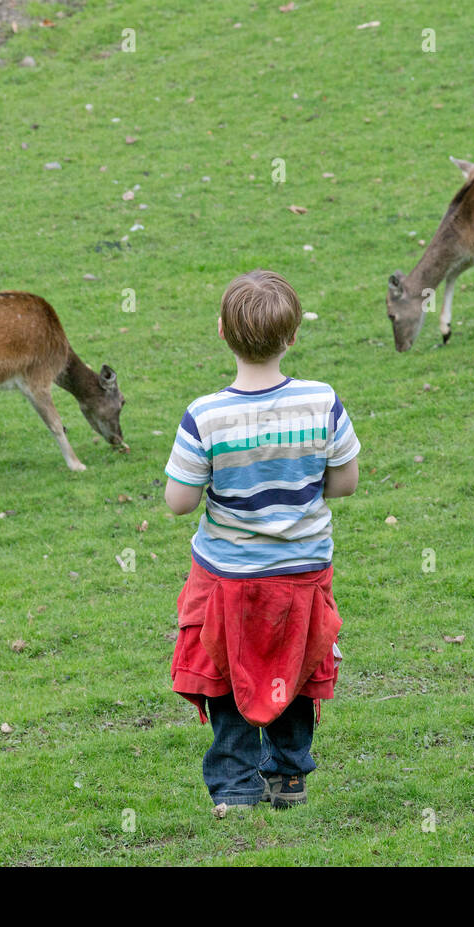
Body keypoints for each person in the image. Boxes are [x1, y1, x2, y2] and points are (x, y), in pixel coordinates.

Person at [164, 270, 360, 816]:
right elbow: (344, 484)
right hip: (302, 570)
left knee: (226, 670)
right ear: (293, 335)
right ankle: (289, 779)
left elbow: (178, 502)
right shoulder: (322, 402)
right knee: (296, 666)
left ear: (221, 331)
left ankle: (235, 789)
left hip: (229, 575)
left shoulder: (206, 415)